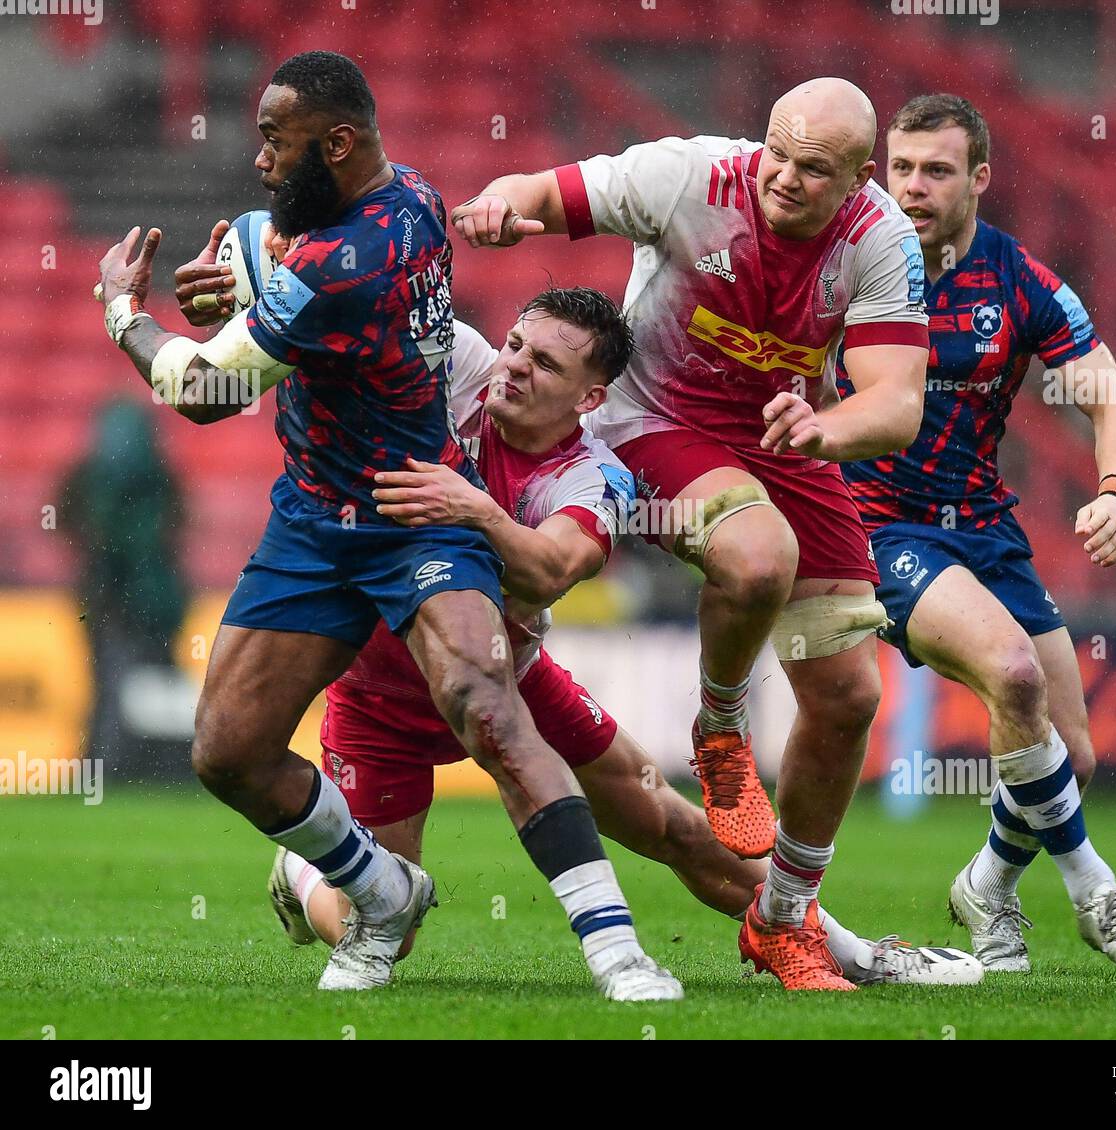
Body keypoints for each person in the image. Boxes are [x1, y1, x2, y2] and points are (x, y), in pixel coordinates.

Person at [94, 51, 680, 1001]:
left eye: (276, 145)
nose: (261, 163)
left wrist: (126, 310)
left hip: (415, 508)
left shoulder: (344, 268)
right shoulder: (414, 197)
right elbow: (298, 265)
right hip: (313, 521)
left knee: (490, 708)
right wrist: (243, 287)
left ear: (338, 141)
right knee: (226, 753)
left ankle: (619, 954)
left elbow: (202, 390)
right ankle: (381, 890)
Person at [266, 295, 982, 988]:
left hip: (510, 680)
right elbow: (350, 312)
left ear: (589, 399)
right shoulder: (459, 367)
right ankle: (303, 868)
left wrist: (475, 511)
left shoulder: (595, 474)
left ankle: (857, 955)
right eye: (516, 344)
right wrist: (245, 296)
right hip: (382, 692)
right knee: (388, 930)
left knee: (680, 832)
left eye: (545, 363)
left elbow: (548, 571)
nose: (513, 367)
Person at [450, 76, 930, 990]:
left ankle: (783, 922)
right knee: (759, 560)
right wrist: (501, 207)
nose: (784, 178)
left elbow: (897, 403)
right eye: (777, 152)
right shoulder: (689, 176)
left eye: (813, 168)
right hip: (656, 424)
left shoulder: (881, 240)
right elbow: (545, 192)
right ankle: (720, 728)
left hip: (794, 437)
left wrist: (827, 430)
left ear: (860, 177)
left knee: (847, 700)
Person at [837, 93, 1116, 970]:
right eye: (900, 167)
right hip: (880, 526)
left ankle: (986, 886)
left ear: (979, 178)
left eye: (936, 170)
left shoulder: (1017, 279)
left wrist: (1114, 493)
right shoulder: (843, 263)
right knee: (1013, 673)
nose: (913, 186)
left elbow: (1113, 403)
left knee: (1076, 754)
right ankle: (1096, 890)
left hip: (986, 529)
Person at [59, 398, 189, 781]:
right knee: (148, 680)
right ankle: (149, 767)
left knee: (111, 681)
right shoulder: (161, 478)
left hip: (105, 601)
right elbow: (176, 529)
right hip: (148, 602)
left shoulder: (87, 476)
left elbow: (70, 522)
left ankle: (107, 764)